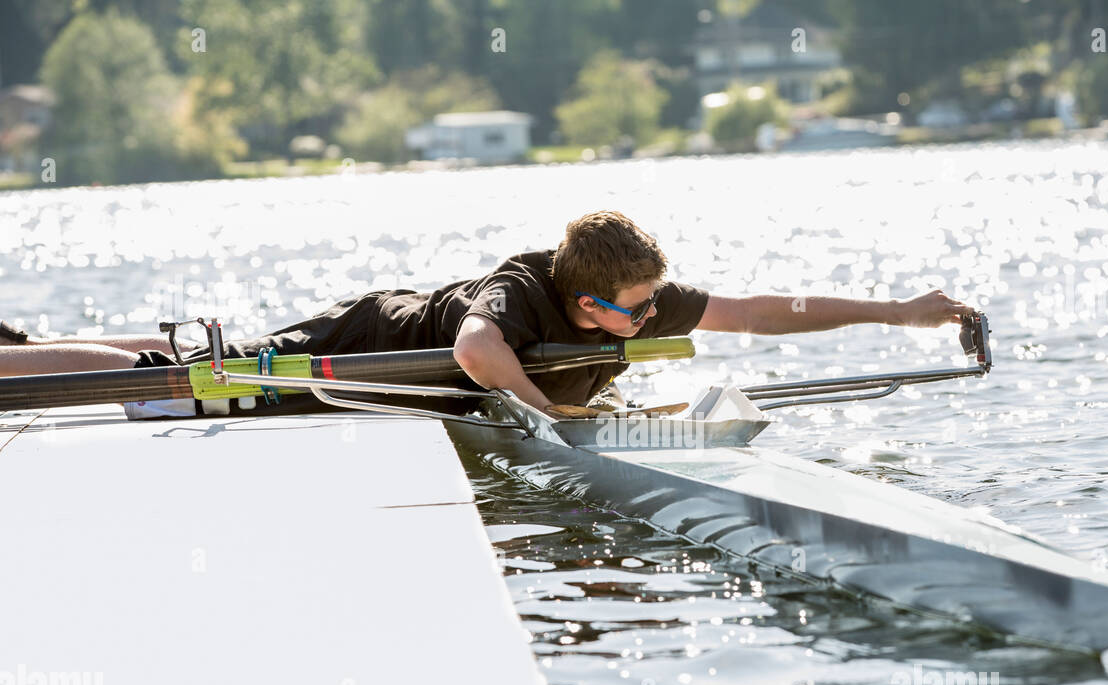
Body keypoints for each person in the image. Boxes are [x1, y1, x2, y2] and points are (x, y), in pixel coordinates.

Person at [0, 210, 976, 411]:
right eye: (635, 312)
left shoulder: (634, 295)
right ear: (586, 298)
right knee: (180, 384)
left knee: (201, 353)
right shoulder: (516, 294)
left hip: (399, 357)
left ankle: (28, 341)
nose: (652, 319)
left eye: (650, 304)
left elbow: (764, 311)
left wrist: (900, 312)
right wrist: (553, 417)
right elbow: (474, 350)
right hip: (369, 341)